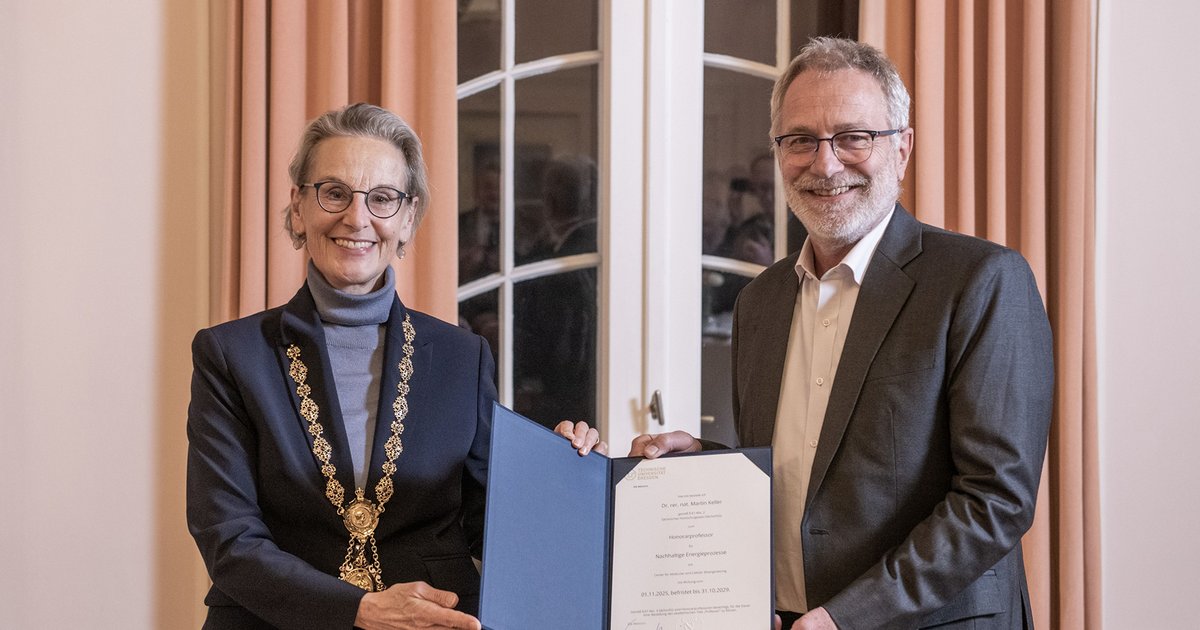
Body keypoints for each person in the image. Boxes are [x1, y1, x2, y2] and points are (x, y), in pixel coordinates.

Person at [630, 38, 1053, 630]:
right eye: (800, 140)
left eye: (853, 137)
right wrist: (707, 466)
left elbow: (995, 500)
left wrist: (846, 617)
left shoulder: (981, 280)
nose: (825, 165)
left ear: (901, 148)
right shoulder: (760, 302)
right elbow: (805, 473)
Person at [186, 103, 601, 630]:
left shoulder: (462, 356)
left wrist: (562, 474)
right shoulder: (230, 355)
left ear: (407, 220)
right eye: (334, 192)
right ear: (298, 207)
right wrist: (360, 610)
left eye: (382, 198)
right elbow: (229, 539)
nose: (357, 218)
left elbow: (493, 526)